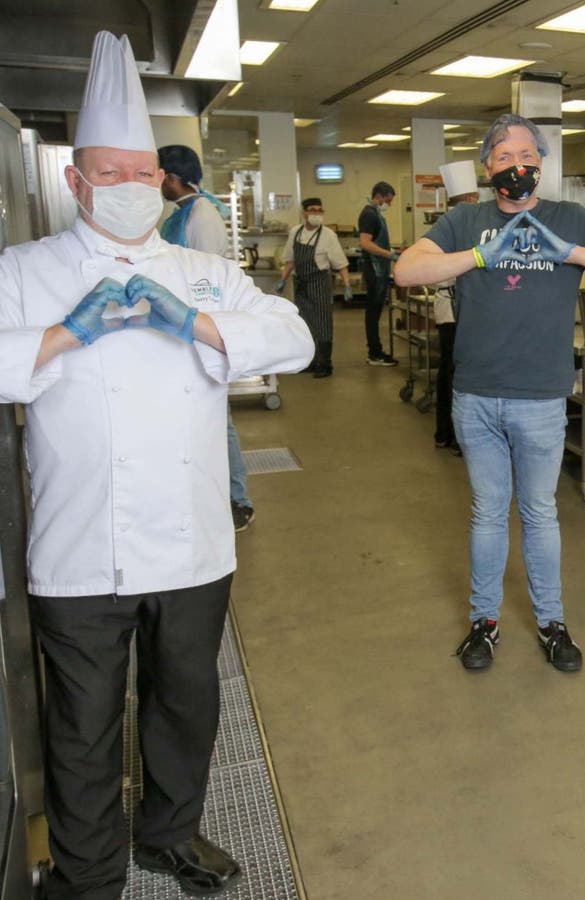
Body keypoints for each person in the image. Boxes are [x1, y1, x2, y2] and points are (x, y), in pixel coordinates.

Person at [0, 32, 314, 899]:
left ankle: (169, 834)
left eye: (143, 173)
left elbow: (295, 336)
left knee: (184, 706)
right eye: (109, 174)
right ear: (75, 179)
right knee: (84, 725)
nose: (131, 189)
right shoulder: (25, 272)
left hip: (191, 545)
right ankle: (90, 873)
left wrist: (198, 324)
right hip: (78, 550)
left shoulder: (203, 272)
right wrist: (69, 334)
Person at [395, 113, 585, 672]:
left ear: (542, 165)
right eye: (507, 157)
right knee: (488, 513)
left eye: (529, 156)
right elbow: (406, 271)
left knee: (539, 513)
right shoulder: (466, 222)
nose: (519, 166)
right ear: (487, 167)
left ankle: (551, 622)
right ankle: (483, 624)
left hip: (540, 396)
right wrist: (480, 257)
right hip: (477, 396)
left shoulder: (569, 217)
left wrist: (572, 252)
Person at [157, 144, 257, 533]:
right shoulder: (181, 214)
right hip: (179, 328)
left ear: (170, 177)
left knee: (219, 418)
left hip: (200, 329)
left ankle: (238, 501)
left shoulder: (202, 216)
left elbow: (204, 281)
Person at [432, 160, 479, 455]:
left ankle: (444, 433)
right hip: (456, 307)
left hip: (451, 307)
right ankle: (459, 436)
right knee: (460, 373)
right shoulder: (462, 225)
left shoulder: (444, 224)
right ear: (471, 199)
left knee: (447, 370)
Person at [278, 197, 352, 378]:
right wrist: (282, 280)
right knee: (305, 324)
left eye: (320, 210)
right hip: (301, 284)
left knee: (323, 324)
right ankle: (310, 362)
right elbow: (290, 261)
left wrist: (347, 285)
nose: (317, 214)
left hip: (320, 283)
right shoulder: (295, 232)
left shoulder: (328, 235)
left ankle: (325, 364)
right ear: (304, 214)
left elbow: (341, 264)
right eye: (313, 210)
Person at [358, 181, 399, 366]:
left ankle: (375, 351)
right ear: (379, 196)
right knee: (373, 313)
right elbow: (365, 243)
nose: (389, 205)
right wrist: (389, 254)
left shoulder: (376, 215)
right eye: (388, 200)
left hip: (379, 269)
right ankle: (375, 353)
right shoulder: (368, 214)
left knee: (375, 312)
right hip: (374, 269)